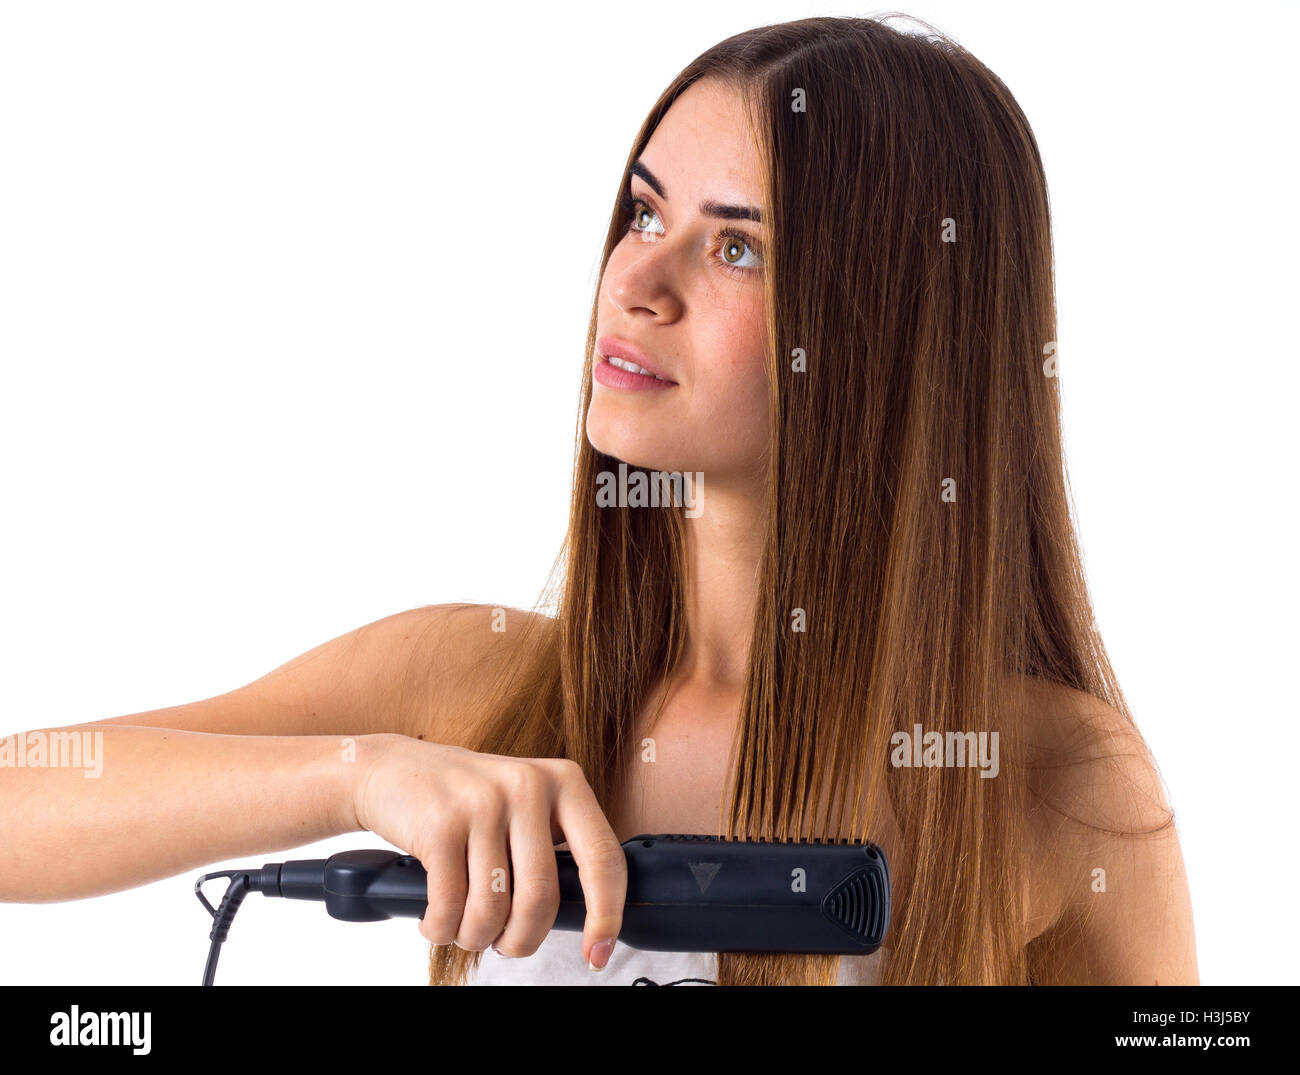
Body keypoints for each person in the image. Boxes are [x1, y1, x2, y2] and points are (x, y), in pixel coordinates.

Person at [0, 14, 1197, 986]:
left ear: (887, 330)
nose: (634, 279)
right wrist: (355, 774)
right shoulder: (467, 685)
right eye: (642, 211)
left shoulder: (1051, 781)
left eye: (736, 248)